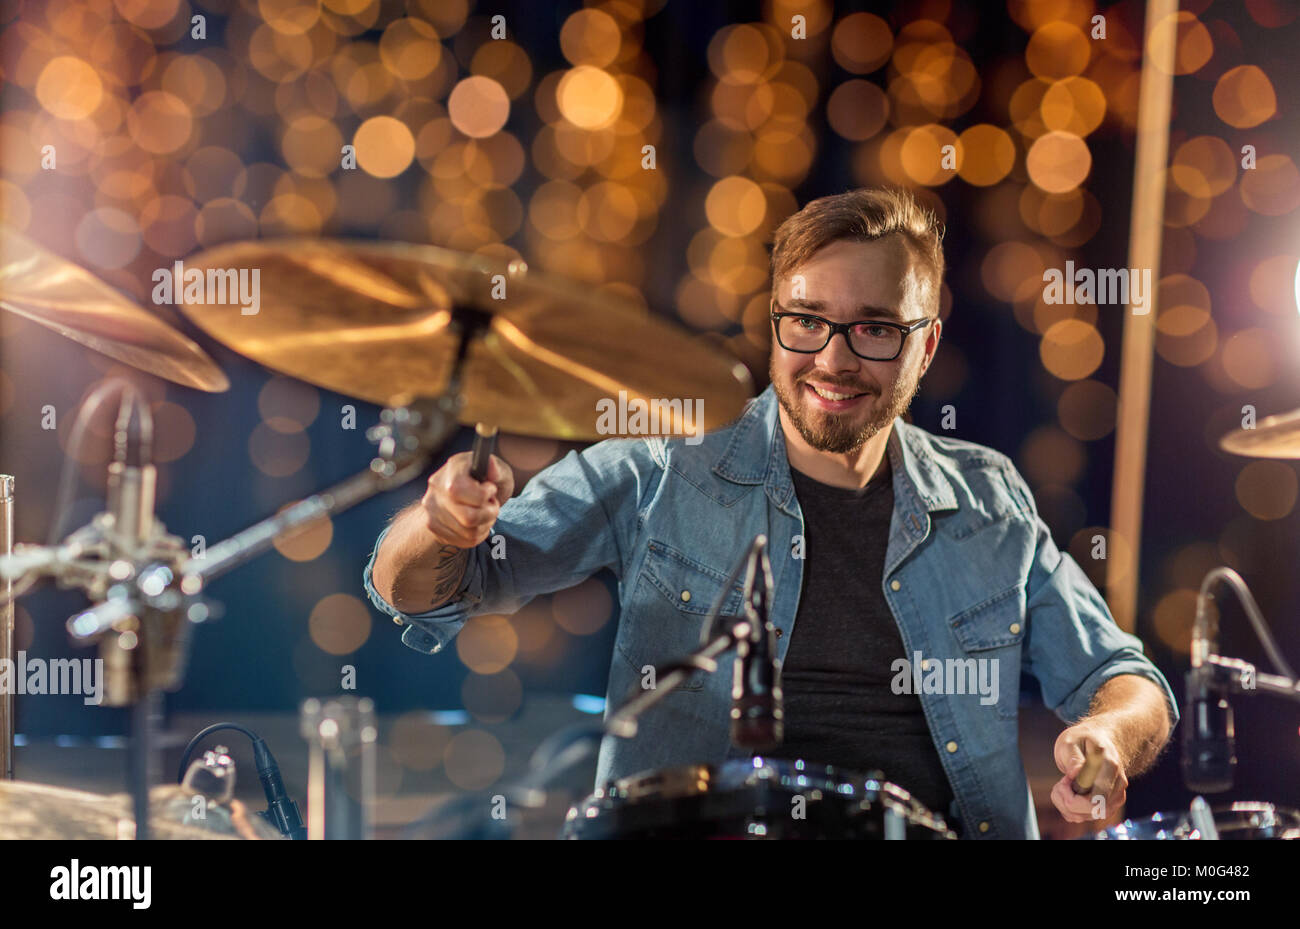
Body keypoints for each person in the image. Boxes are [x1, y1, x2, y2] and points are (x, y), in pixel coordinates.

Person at [364, 186, 1178, 839]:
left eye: (874, 329)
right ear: (773, 319)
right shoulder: (660, 465)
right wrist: (439, 525)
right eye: (808, 320)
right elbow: (426, 587)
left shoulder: (988, 496)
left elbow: (1128, 680)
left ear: (926, 346)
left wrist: (1107, 735)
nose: (833, 357)